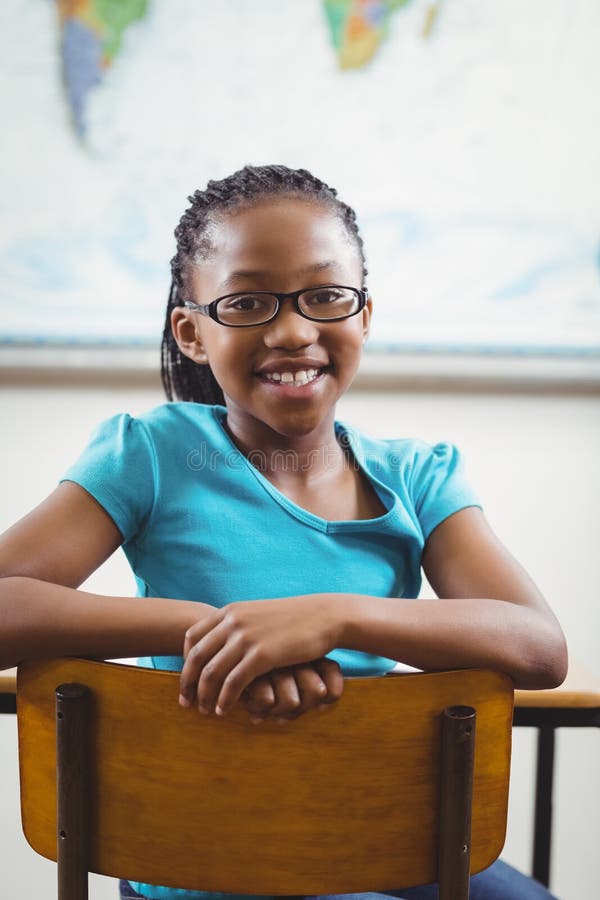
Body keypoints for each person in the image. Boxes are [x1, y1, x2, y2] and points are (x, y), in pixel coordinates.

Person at [0, 165, 567, 900]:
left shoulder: (420, 476)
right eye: (247, 302)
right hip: (198, 852)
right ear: (192, 332)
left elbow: (539, 646)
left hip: (376, 828)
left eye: (326, 296)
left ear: (364, 314)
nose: (294, 330)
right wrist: (218, 630)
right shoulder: (152, 452)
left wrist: (331, 616)